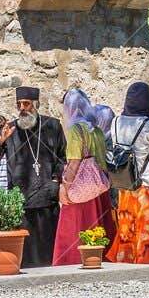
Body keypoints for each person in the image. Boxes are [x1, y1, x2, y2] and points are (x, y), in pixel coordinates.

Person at [0, 86, 67, 267]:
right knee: (26, 252)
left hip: (48, 196)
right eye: (19, 104)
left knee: (48, 245)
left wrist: (55, 180)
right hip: (21, 197)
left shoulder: (52, 126)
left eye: (26, 104)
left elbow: (62, 157)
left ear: (36, 105)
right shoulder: (11, 130)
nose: (22, 108)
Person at [105, 81, 149, 265]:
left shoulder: (116, 122)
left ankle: (125, 268)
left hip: (127, 184)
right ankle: (144, 269)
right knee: (147, 233)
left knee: (127, 230)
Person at [52, 90, 115, 265]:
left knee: (74, 231)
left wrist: (64, 187)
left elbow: (73, 163)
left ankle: (70, 263)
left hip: (80, 190)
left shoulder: (75, 130)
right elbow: (103, 162)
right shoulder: (97, 131)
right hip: (99, 190)